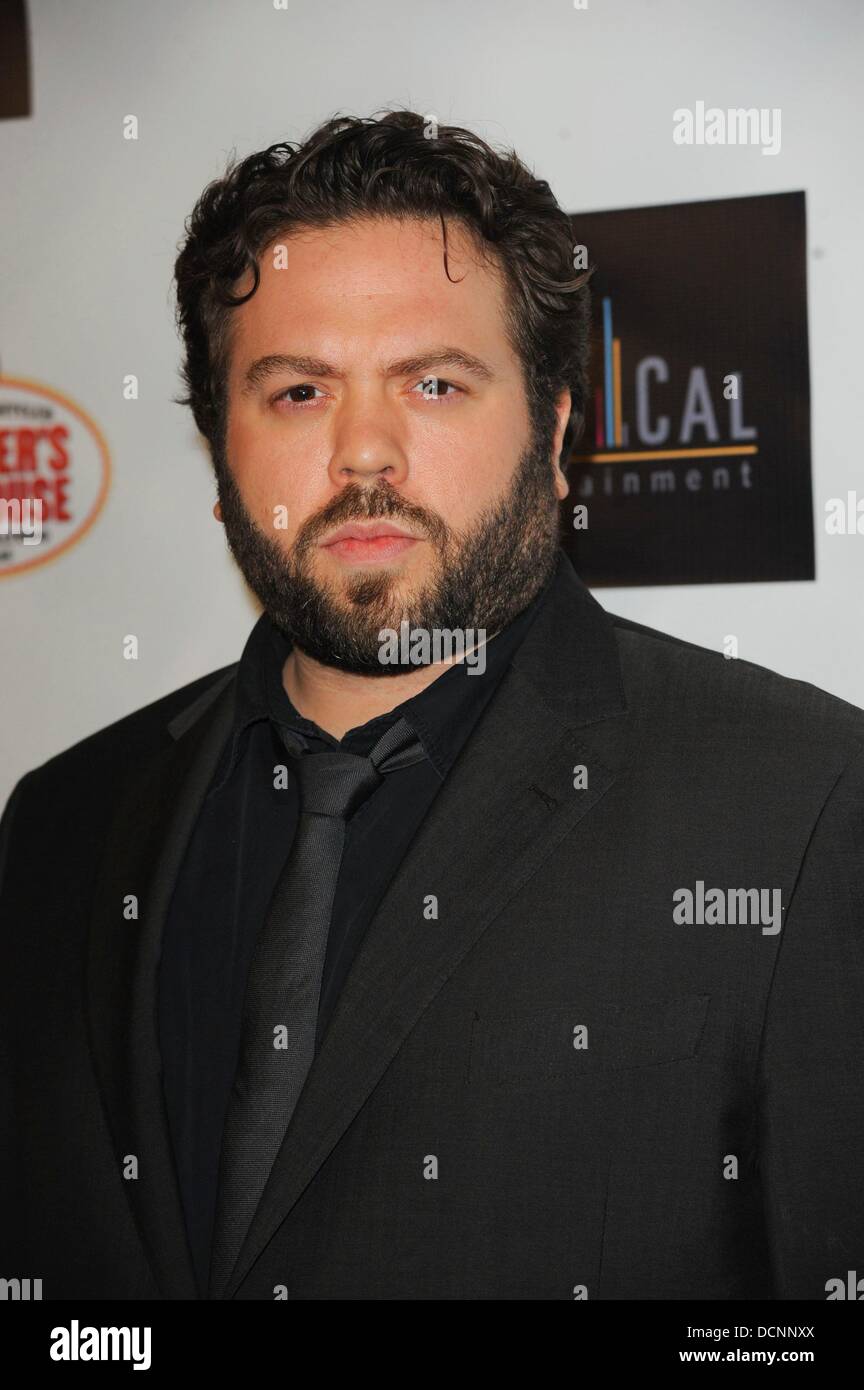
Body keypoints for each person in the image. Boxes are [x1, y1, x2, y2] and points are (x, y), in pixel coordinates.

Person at [1, 109, 862, 1302]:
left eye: (436, 383)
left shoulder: (801, 802)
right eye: (298, 392)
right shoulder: (59, 822)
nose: (364, 453)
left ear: (557, 435)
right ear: (221, 453)